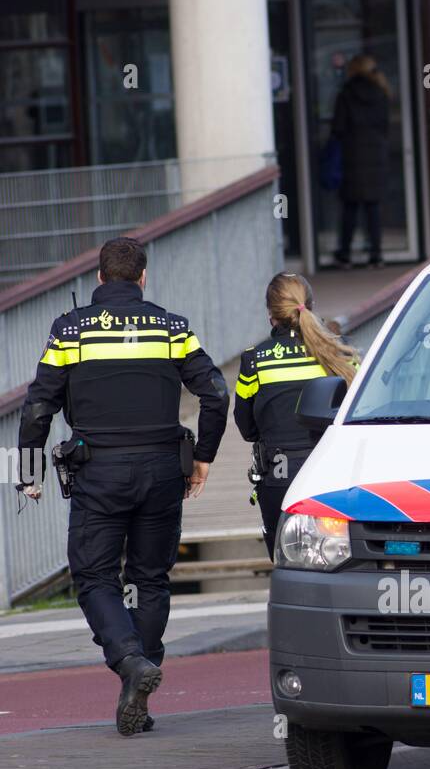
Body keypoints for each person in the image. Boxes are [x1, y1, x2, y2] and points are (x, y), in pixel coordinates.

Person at [17, 236, 229, 736]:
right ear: (143, 277)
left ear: (98, 278)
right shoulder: (172, 327)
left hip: (100, 474)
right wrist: (203, 459)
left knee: (93, 578)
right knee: (150, 579)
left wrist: (26, 472)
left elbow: (38, 405)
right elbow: (215, 394)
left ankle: (131, 662)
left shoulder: (70, 330)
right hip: (162, 471)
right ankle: (140, 686)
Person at [233, 273, 360, 559]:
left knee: (286, 562)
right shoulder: (342, 351)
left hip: (279, 477)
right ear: (311, 306)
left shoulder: (255, 359)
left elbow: (246, 427)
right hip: (333, 473)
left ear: (270, 314)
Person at [331, 54, 390, 269]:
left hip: (352, 155)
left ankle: (345, 254)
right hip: (375, 156)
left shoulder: (346, 93)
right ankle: (376, 255)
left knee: (350, 208)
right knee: (373, 208)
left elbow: (338, 127)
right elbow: (385, 125)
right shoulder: (381, 92)